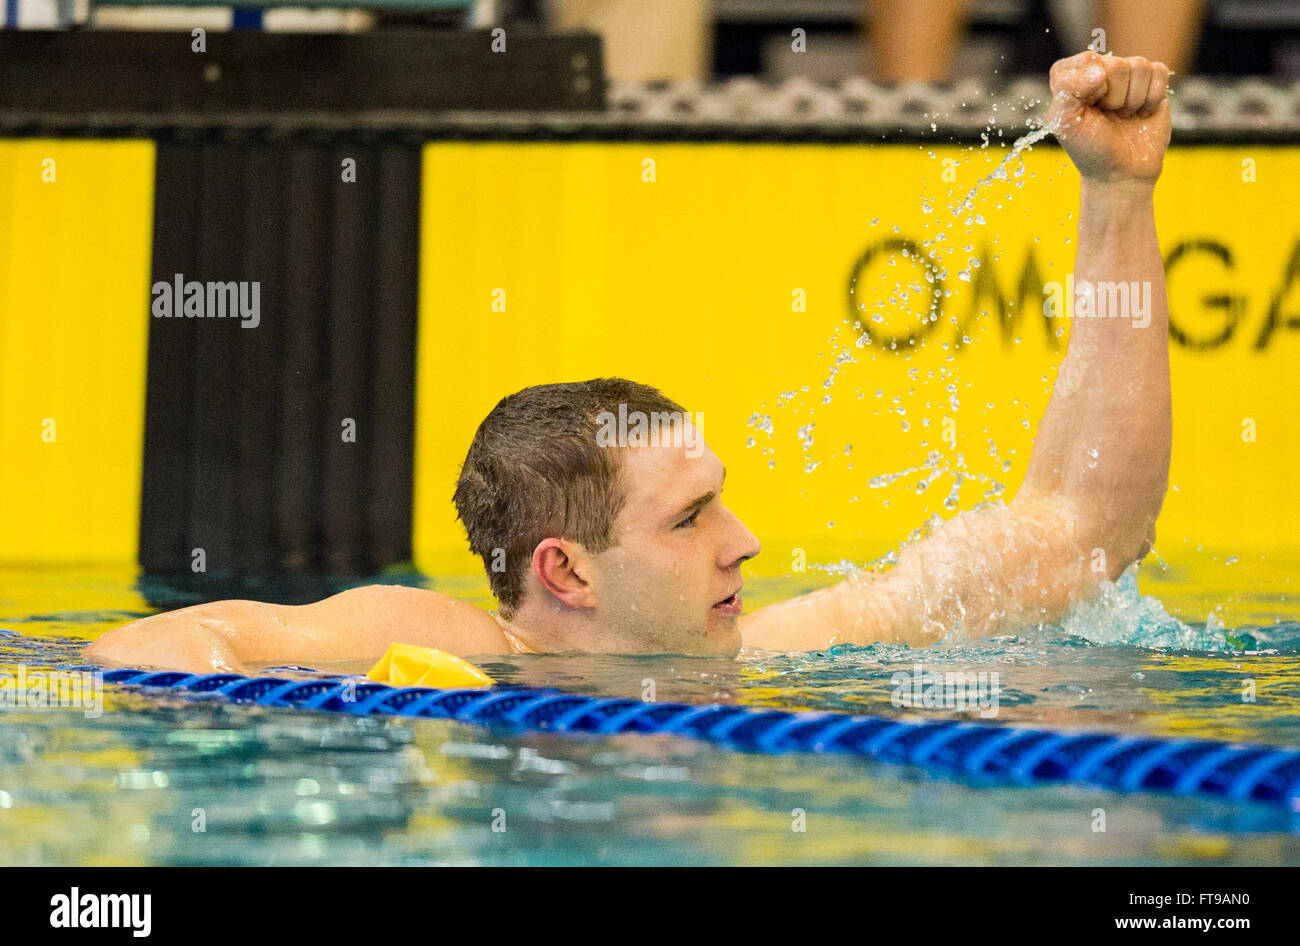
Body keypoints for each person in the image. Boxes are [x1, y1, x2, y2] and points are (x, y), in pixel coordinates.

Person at [89, 51, 1173, 673]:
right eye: (691, 515)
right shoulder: (455, 648)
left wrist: (1119, 196)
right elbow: (150, 652)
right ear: (563, 571)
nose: (746, 543)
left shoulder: (776, 651)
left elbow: (1085, 536)